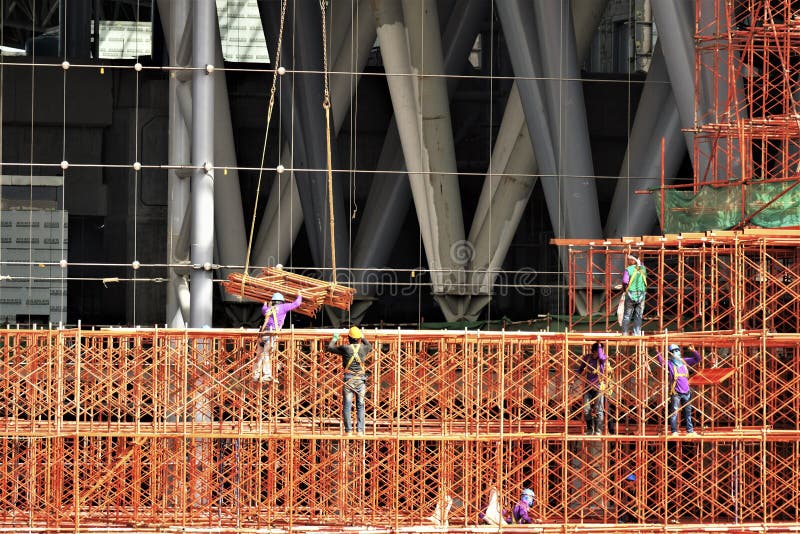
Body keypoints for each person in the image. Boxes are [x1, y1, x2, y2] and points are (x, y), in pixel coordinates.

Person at [327, 326, 372, 436]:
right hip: (360, 380)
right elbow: (369, 345)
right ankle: (360, 431)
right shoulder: (364, 348)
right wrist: (363, 336)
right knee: (360, 406)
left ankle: (348, 431)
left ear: (349, 338)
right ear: (359, 338)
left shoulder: (345, 348)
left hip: (349, 380)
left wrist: (335, 337)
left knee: (347, 406)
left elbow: (329, 347)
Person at [252, 291, 302, 382]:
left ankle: (255, 375)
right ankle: (267, 374)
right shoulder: (283, 307)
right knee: (266, 354)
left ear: (273, 301)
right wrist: (299, 294)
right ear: (281, 301)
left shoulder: (267, 309)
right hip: (271, 334)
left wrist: (265, 303)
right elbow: (297, 303)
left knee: (259, 355)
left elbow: (263, 308)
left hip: (262, 334)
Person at [657, 343, 702, 435]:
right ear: (670, 353)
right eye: (673, 351)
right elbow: (661, 362)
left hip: (686, 392)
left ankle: (690, 431)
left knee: (688, 413)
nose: (676, 352)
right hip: (676, 393)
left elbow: (698, 359)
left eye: (677, 350)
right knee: (674, 413)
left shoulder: (684, 361)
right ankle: (674, 431)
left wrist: (694, 351)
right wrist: (657, 352)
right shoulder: (669, 363)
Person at [575, 341, 608, 435]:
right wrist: (575, 378)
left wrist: (599, 345)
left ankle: (598, 431)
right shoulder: (587, 358)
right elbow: (581, 368)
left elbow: (601, 357)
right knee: (586, 410)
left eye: (601, 350)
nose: (601, 352)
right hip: (588, 387)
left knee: (599, 410)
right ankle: (590, 429)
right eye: (599, 350)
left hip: (598, 387)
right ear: (594, 351)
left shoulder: (602, 358)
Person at [621, 255, 647, 335]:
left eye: (629, 260)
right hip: (641, 295)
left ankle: (625, 334)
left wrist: (624, 289)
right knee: (638, 316)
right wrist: (638, 262)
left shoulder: (628, 269)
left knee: (627, 315)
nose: (628, 261)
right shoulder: (643, 269)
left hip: (631, 294)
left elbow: (625, 281)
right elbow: (641, 265)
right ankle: (636, 334)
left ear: (633, 260)